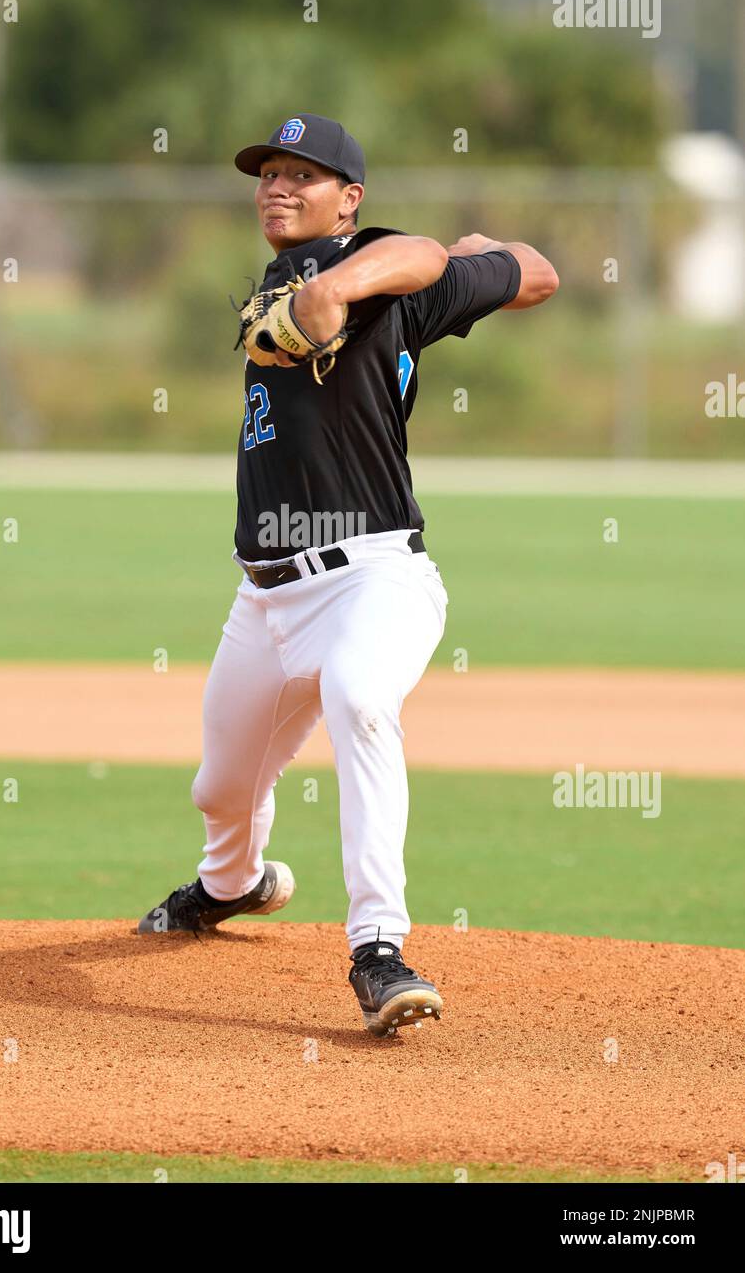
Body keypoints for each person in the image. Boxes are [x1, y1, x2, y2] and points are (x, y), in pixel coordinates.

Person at [138, 113, 558, 1038]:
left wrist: (453, 259)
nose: (276, 188)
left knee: (362, 697)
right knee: (219, 789)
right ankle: (234, 886)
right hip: (265, 597)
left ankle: (380, 949)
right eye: (268, 175)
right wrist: (358, 283)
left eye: (302, 175)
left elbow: (532, 270)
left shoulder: (380, 274)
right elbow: (412, 259)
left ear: (349, 199)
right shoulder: (286, 282)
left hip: (375, 577)